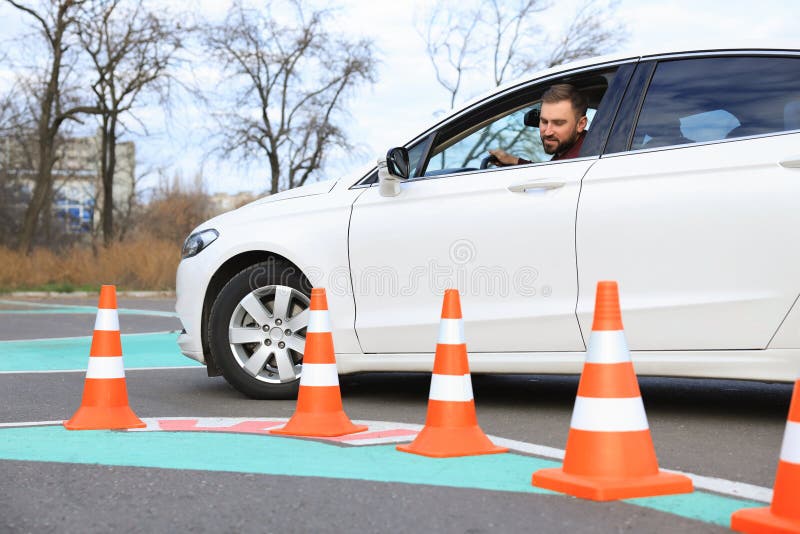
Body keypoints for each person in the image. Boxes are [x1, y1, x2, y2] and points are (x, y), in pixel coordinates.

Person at [489, 83, 588, 165]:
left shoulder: (583, 159)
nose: (548, 132)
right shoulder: (582, 150)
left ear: (581, 124)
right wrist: (514, 161)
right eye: (544, 121)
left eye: (558, 123)